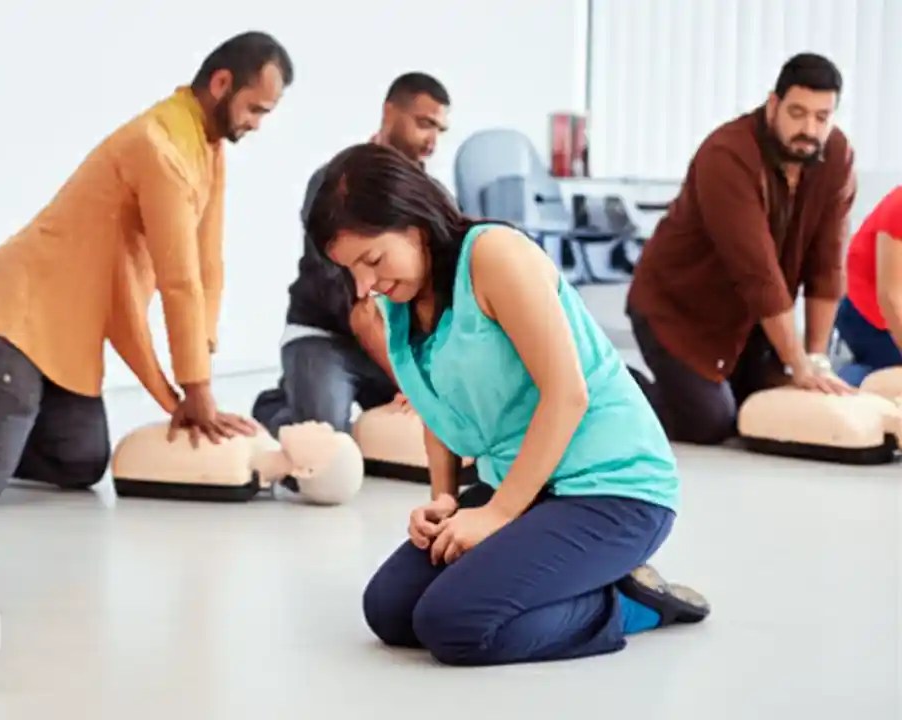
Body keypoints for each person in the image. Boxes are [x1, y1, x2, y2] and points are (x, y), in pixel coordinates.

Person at [307, 143, 709, 667]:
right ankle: (561, 577)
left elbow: (567, 394)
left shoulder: (496, 256)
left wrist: (496, 514)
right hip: (525, 486)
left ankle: (627, 602)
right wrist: (445, 503)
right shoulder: (402, 300)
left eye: (372, 260)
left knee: (455, 625)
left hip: (613, 490)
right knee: (390, 611)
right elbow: (436, 411)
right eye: (350, 271)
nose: (364, 284)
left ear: (414, 223)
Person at [0, 31, 294, 509]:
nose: (256, 124)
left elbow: (208, 263)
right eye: (255, 109)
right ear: (222, 82)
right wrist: (194, 392)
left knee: (79, 461)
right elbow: (179, 280)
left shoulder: (207, 150)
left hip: (63, 339)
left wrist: (199, 367)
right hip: (9, 322)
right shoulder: (158, 145)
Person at [625, 52, 857, 445]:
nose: (809, 128)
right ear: (773, 104)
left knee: (761, 410)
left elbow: (827, 266)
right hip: (680, 312)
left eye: (822, 117)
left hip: (750, 324)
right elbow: (757, 270)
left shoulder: (836, 156)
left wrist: (815, 360)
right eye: (797, 113)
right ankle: (613, 388)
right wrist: (795, 361)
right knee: (710, 424)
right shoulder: (727, 154)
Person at [251, 73, 450, 436]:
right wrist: (408, 379)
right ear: (390, 112)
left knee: (440, 422)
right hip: (325, 335)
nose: (432, 141)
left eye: (439, 130)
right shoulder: (333, 184)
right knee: (324, 442)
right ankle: (276, 406)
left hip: (391, 345)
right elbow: (346, 296)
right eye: (424, 124)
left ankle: (303, 393)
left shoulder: (432, 197)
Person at [835, 186, 902, 382]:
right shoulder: (900, 206)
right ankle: (848, 384)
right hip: (869, 315)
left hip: (889, 305)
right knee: (888, 375)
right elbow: (889, 297)